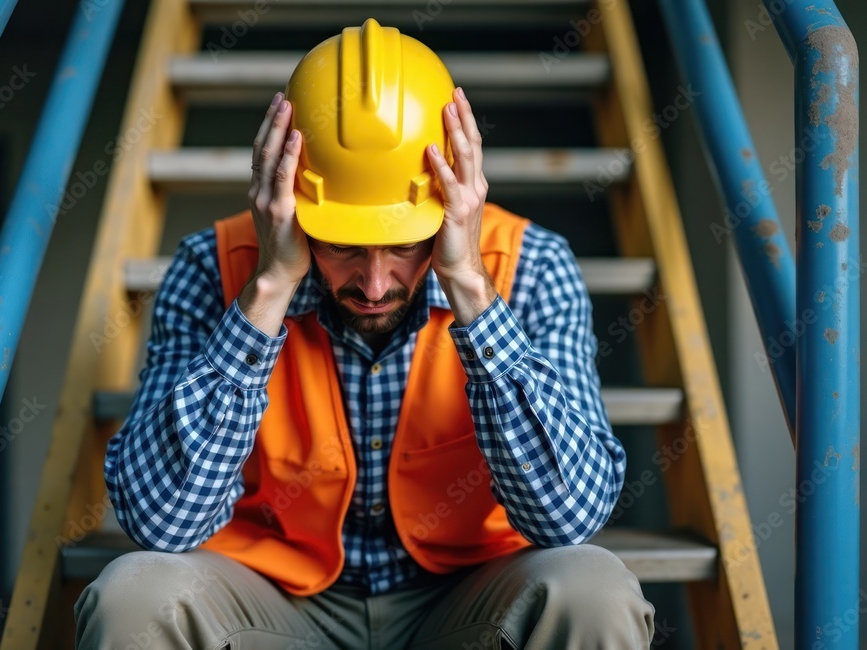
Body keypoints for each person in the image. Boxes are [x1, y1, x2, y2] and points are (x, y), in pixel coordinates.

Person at [76, 19, 654, 650]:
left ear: (453, 202)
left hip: (467, 599)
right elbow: (160, 524)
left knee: (594, 588)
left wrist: (467, 285)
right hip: (274, 602)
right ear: (289, 205)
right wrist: (269, 288)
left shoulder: (532, 265)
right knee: (132, 594)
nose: (375, 284)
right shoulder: (211, 267)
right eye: (343, 245)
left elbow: (569, 517)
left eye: (406, 244)